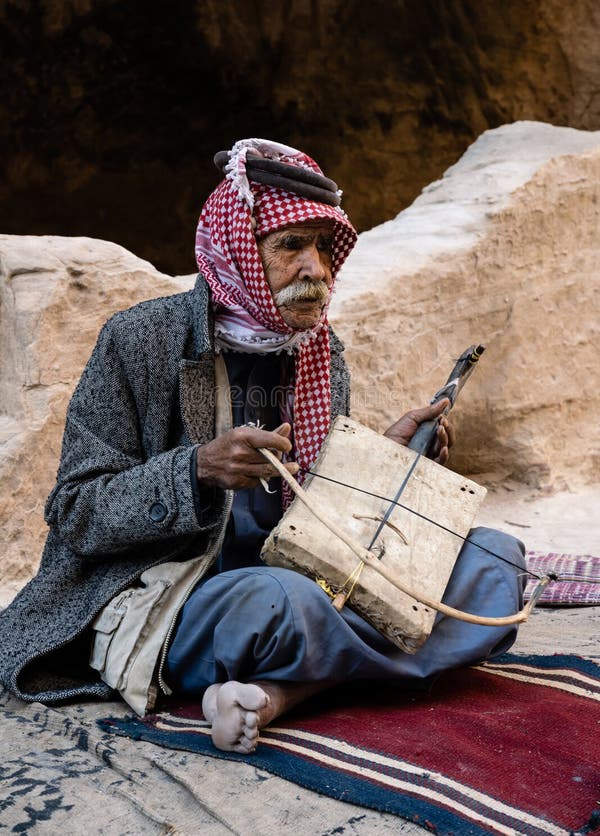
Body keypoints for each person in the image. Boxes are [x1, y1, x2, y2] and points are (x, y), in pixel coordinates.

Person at [0, 138, 525, 755]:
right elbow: (76, 511)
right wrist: (196, 471)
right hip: (185, 592)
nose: (316, 269)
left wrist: (388, 458)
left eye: (324, 248)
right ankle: (335, 670)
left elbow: (321, 512)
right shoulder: (140, 341)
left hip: (310, 578)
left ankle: (280, 694)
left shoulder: (320, 355)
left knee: (497, 563)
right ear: (239, 249)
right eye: (291, 246)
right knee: (283, 605)